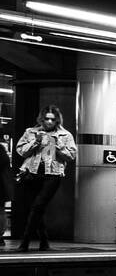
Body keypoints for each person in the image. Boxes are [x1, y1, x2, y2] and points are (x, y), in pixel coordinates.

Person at [13, 105, 77, 252]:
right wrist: (35, 142)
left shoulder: (65, 135)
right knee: (36, 209)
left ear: (57, 121)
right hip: (32, 173)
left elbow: (71, 156)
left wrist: (58, 144)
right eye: (46, 119)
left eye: (52, 119)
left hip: (53, 175)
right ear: (41, 119)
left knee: (38, 206)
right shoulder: (30, 132)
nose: (49, 122)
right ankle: (44, 241)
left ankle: (25, 242)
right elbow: (21, 151)